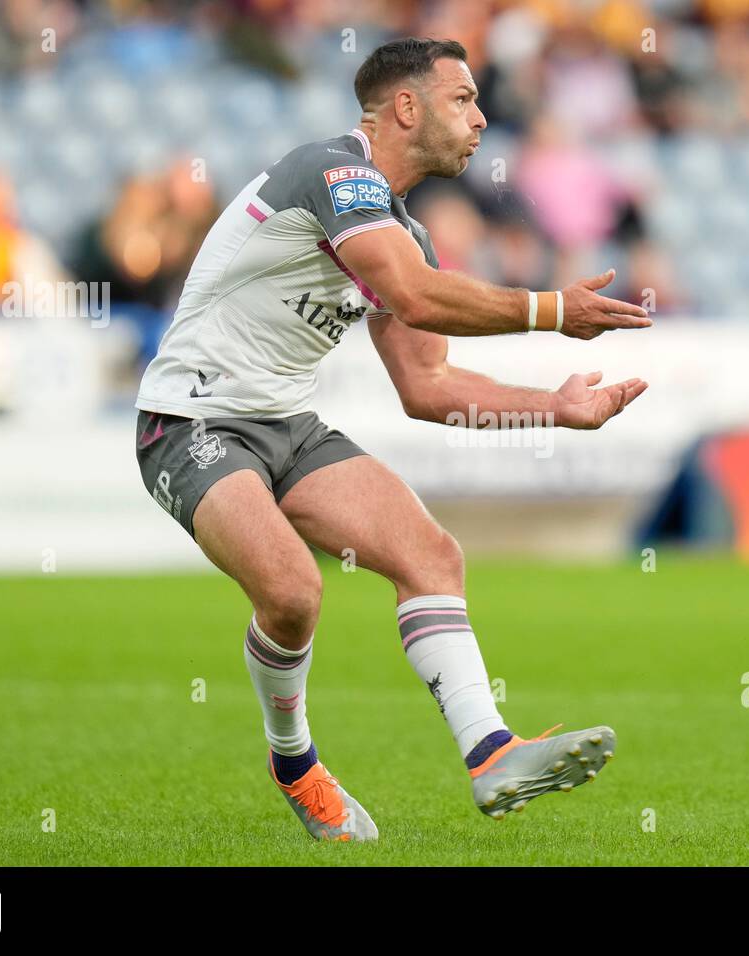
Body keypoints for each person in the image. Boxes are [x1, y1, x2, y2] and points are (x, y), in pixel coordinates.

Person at [133, 37, 650, 842]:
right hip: (190, 422)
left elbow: (427, 388)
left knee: (432, 555)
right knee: (294, 594)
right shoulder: (332, 171)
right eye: (464, 100)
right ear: (406, 107)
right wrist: (551, 311)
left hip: (286, 426)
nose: (482, 118)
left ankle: (492, 754)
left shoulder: (399, 228)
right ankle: (294, 761)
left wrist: (558, 405)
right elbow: (413, 294)